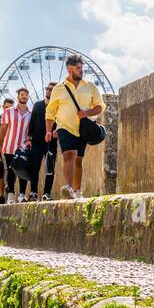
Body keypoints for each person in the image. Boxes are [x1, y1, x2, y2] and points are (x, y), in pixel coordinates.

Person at [45, 55, 105, 200]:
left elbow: (100, 106)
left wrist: (87, 113)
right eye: (78, 68)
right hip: (64, 127)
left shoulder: (90, 86)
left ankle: (77, 191)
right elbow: (50, 112)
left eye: (82, 67)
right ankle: (68, 187)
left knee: (78, 159)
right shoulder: (59, 89)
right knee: (69, 154)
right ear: (69, 69)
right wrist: (48, 130)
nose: (81, 70)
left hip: (83, 129)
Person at [0, 88, 33, 203]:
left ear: (28, 97)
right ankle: (11, 194)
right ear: (18, 97)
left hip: (23, 147)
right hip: (9, 146)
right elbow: (3, 129)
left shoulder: (30, 114)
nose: (24, 96)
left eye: (26, 95)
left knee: (23, 169)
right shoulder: (9, 112)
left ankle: (22, 195)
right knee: (11, 170)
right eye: (22, 94)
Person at [28, 82, 59, 201]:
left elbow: (61, 122)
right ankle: (33, 192)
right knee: (34, 168)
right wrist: (29, 138)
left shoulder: (58, 107)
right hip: (36, 142)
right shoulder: (37, 105)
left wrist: (57, 131)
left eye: (51, 89)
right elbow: (32, 123)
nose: (49, 91)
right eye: (48, 89)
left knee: (50, 169)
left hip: (51, 143)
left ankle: (47, 193)